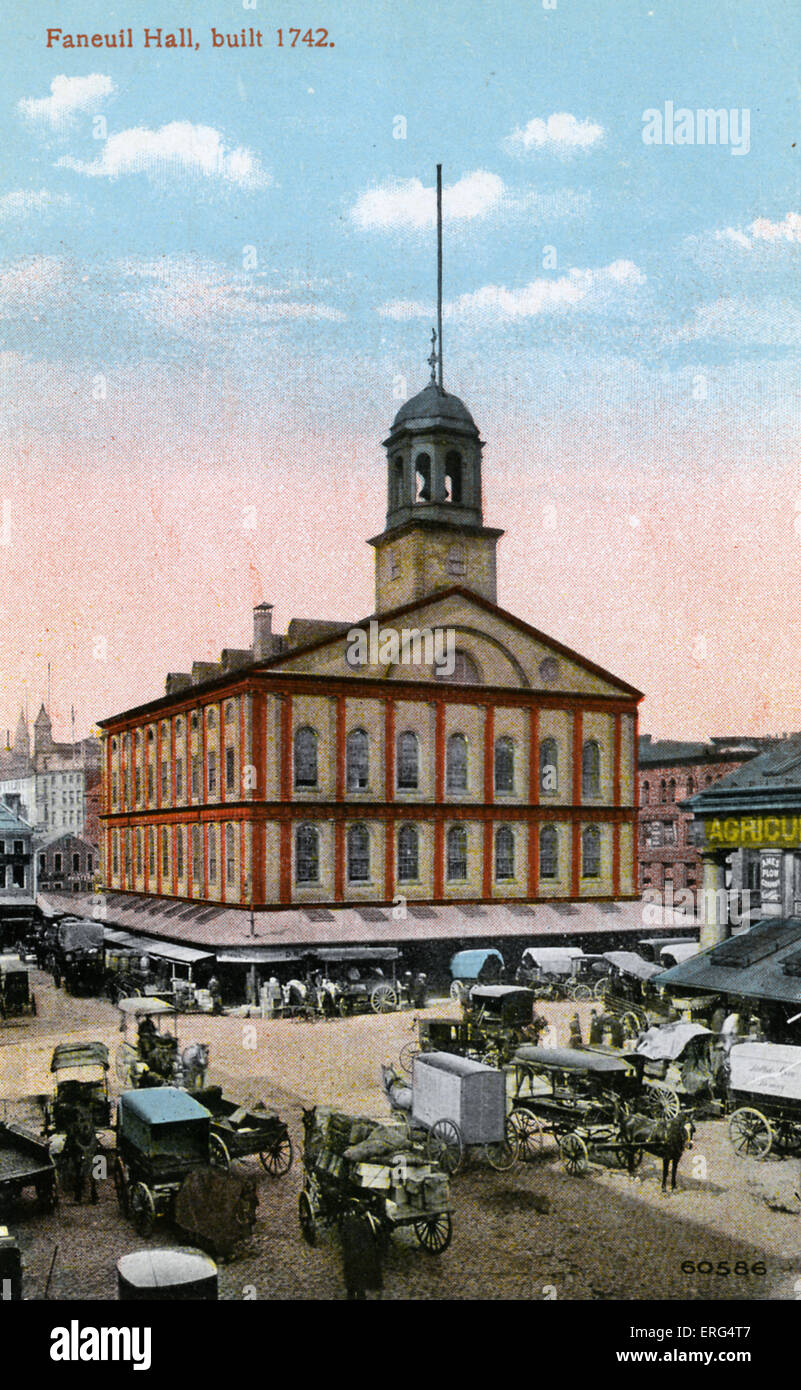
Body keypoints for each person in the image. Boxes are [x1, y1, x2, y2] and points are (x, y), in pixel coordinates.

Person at [339, 1206, 383, 1300]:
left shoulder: (348, 1223)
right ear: (364, 1215)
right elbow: (374, 1239)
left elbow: (343, 1239)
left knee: (351, 1280)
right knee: (360, 1282)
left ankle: (350, 1295)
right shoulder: (366, 1226)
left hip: (350, 1256)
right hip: (361, 1257)